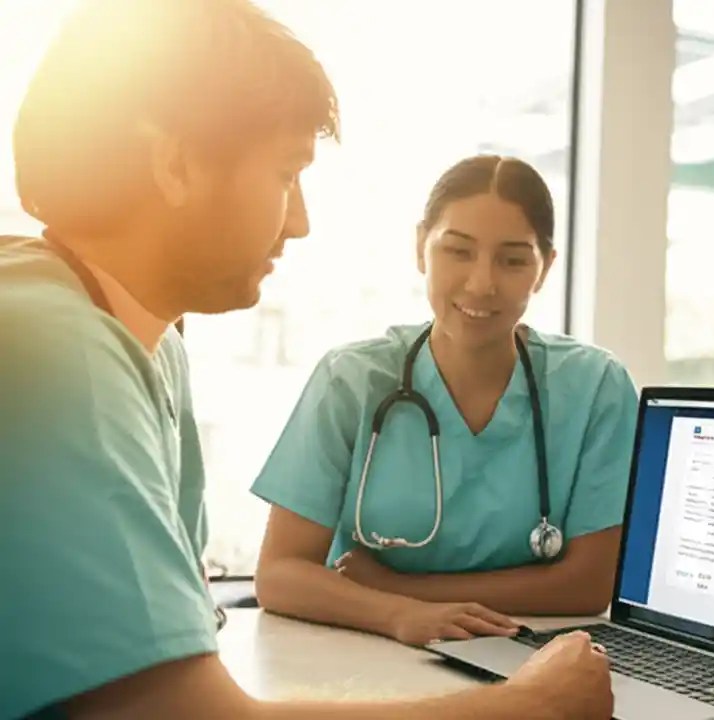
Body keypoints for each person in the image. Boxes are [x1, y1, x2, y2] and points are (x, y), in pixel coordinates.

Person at [0, 1, 611, 718]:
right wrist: (529, 706)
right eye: (288, 173)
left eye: (512, 259)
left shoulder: (140, 344)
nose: (301, 221)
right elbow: (174, 713)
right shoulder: (51, 347)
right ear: (174, 164)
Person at [251, 154, 639, 645]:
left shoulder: (595, 388)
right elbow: (281, 573)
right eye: (458, 252)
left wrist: (401, 591)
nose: (482, 283)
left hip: (529, 656)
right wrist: (396, 615)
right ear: (421, 247)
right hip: (362, 654)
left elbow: (588, 586)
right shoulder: (352, 380)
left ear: (545, 268)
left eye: (513, 260)